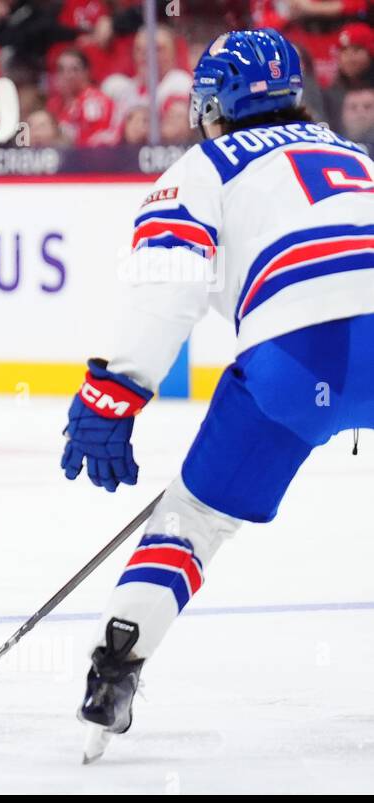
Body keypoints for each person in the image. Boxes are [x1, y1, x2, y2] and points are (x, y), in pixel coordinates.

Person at [61, 29, 374, 761]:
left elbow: (166, 291)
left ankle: (117, 666)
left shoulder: (200, 168)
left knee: (195, 517)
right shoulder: (359, 157)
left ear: (217, 103)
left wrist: (114, 392)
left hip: (299, 364)